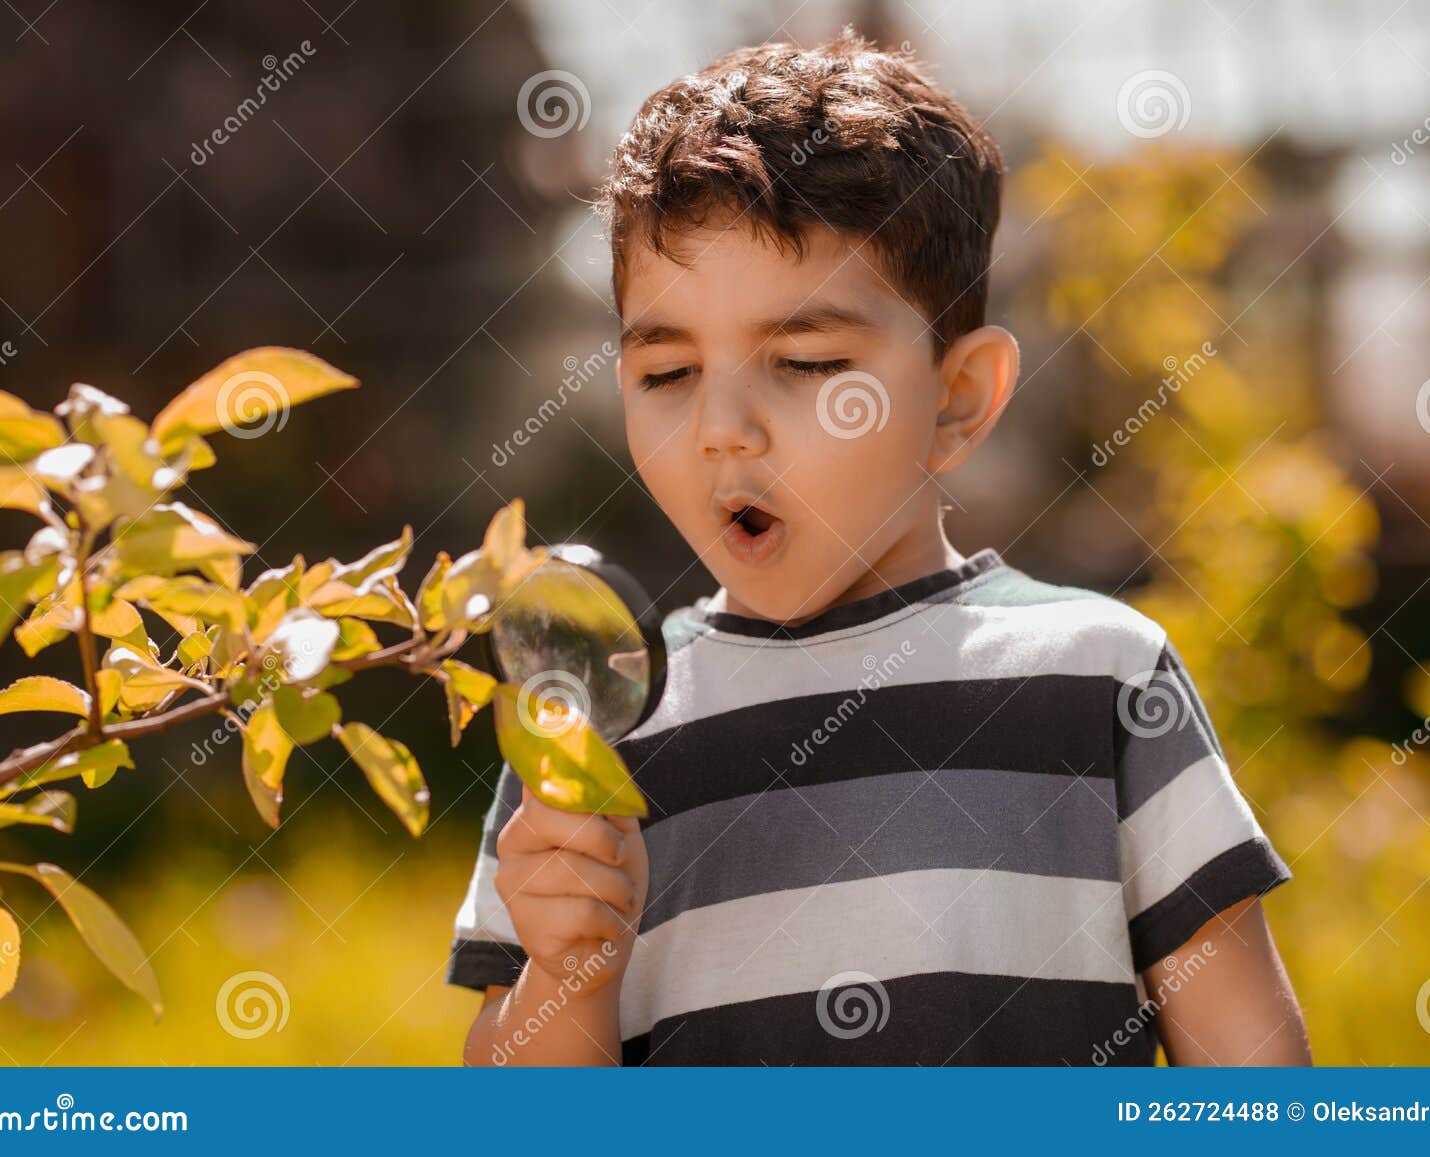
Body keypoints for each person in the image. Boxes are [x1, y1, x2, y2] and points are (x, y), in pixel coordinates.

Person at [446, 26, 1310, 1066]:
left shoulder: (1102, 681)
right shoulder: (591, 736)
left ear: (957, 399)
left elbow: (1261, 1089)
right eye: (667, 374)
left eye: (806, 362)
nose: (723, 428)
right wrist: (564, 972)